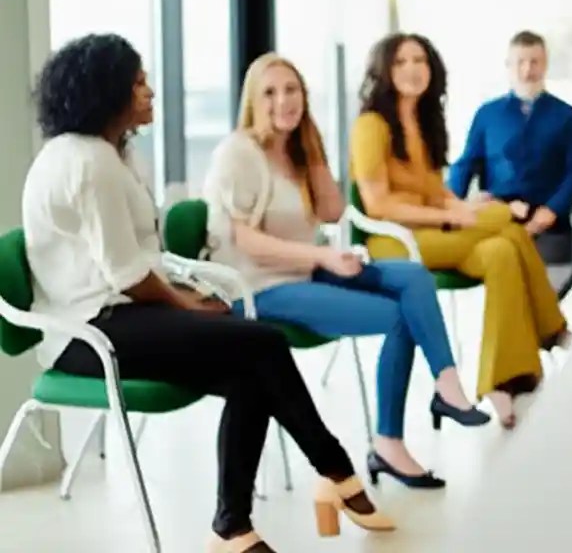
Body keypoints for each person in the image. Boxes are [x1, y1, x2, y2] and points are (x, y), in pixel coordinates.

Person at [21, 34, 393, 552]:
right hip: (89, 333)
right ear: (107, 93)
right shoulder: (88, 163)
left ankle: (233, 527)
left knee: (252, 373)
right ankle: (335, 468)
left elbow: (137, 260)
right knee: (261, 343)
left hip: (119, 316)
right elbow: (127, 274)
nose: (150, 92)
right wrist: (185, 303)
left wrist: (181, 292)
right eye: (138, 83)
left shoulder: (110, 154)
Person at [202, 53, 490, 491]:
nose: (284, 101)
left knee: (413, 277)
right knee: (397, 317)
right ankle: (389, 444)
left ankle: (447, 385)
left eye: (292, 90)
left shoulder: (296, 148)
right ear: (252, 101)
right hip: (258, 287)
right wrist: (321, 258)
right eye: (271, 92)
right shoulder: (238, 152)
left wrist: (311, 150)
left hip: (306, 270)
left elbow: (333, 211)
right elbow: (246, 242)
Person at [348, 32, 572, 430]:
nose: (412, 69)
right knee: (506, 221)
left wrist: (465, 208)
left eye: (420, 61)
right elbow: (378, 205)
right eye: (400, 62)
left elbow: (437, 194)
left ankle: (502, 382)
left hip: (438, 236)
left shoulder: (421, 123)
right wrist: (457, 218)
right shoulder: (371, 124)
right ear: (384, 70)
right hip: (393, 240)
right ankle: (553, 327)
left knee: (503, 248)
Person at [448, 30, 572, 263]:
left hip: (551, 225)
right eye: (520, 62)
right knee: (502, 278)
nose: (527, 70)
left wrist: (550, 211)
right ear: (507, 66)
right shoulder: (486, 115)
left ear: (545, 65)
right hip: (499, 219)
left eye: (534, 62)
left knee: (547, 293)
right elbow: (466, 164)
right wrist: (450, 207)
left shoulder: (568, 117)